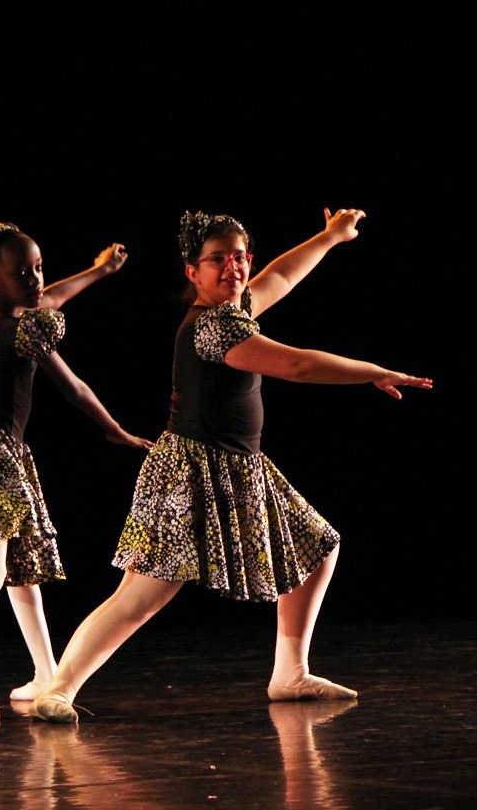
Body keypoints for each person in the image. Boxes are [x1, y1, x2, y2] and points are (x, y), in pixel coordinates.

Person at [33, 208, 432, 723]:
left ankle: (289, 673)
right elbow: (297, 365)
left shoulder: (234, 310)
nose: (233, 268)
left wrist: (329, 237)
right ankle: (59, 689)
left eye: (240, 258)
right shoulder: (212, 328)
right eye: (217, 260)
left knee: (315, 548)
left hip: (240, 467)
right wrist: (373, 372)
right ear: (192, 272)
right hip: (191, 471)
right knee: (143, 595)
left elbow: (282, 276)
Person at [0, 218, 152, 723]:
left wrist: (96, 272)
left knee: (20, 572)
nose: (34, 281)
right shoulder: (14, 331)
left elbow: (48, 297)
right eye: (22, 273)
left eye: (37, 270)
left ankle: (45, 671)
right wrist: (114, 429)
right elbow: (73, 387)